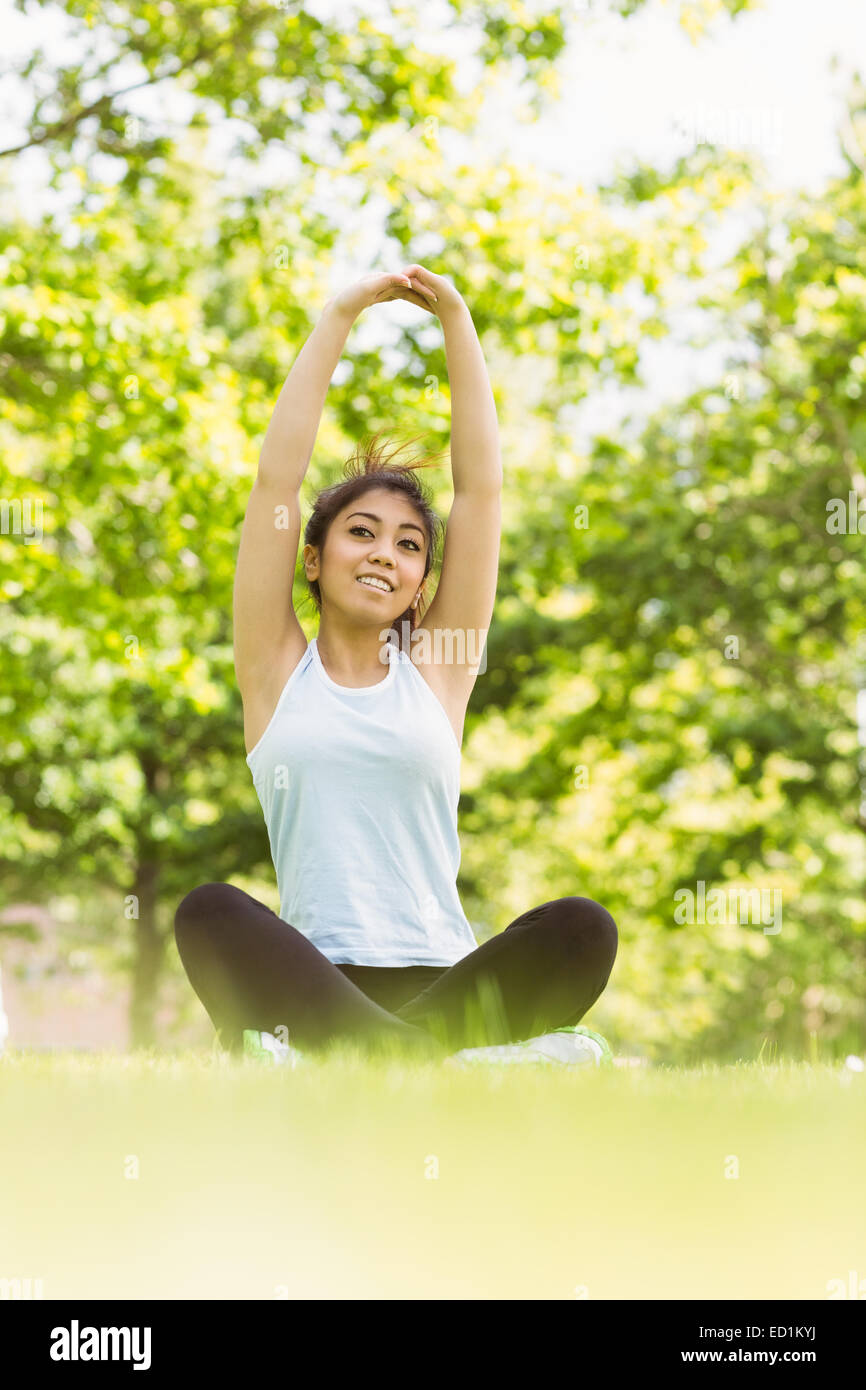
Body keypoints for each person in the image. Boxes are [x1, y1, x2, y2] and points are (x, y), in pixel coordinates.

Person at [174, 264, 618, 1064]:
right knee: (209, 911)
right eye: (361, 532)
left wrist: (456, 318)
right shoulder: (276, 672)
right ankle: (447, 1067)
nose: (386, 554)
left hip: (443, 979)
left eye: (410, 545)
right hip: (314, 983)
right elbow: (276, 479)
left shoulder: (440, 669)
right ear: (312, 559)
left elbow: (481, 494)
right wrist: (342, 311)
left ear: (422, 580)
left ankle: (363, 1063)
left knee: (584, 927)